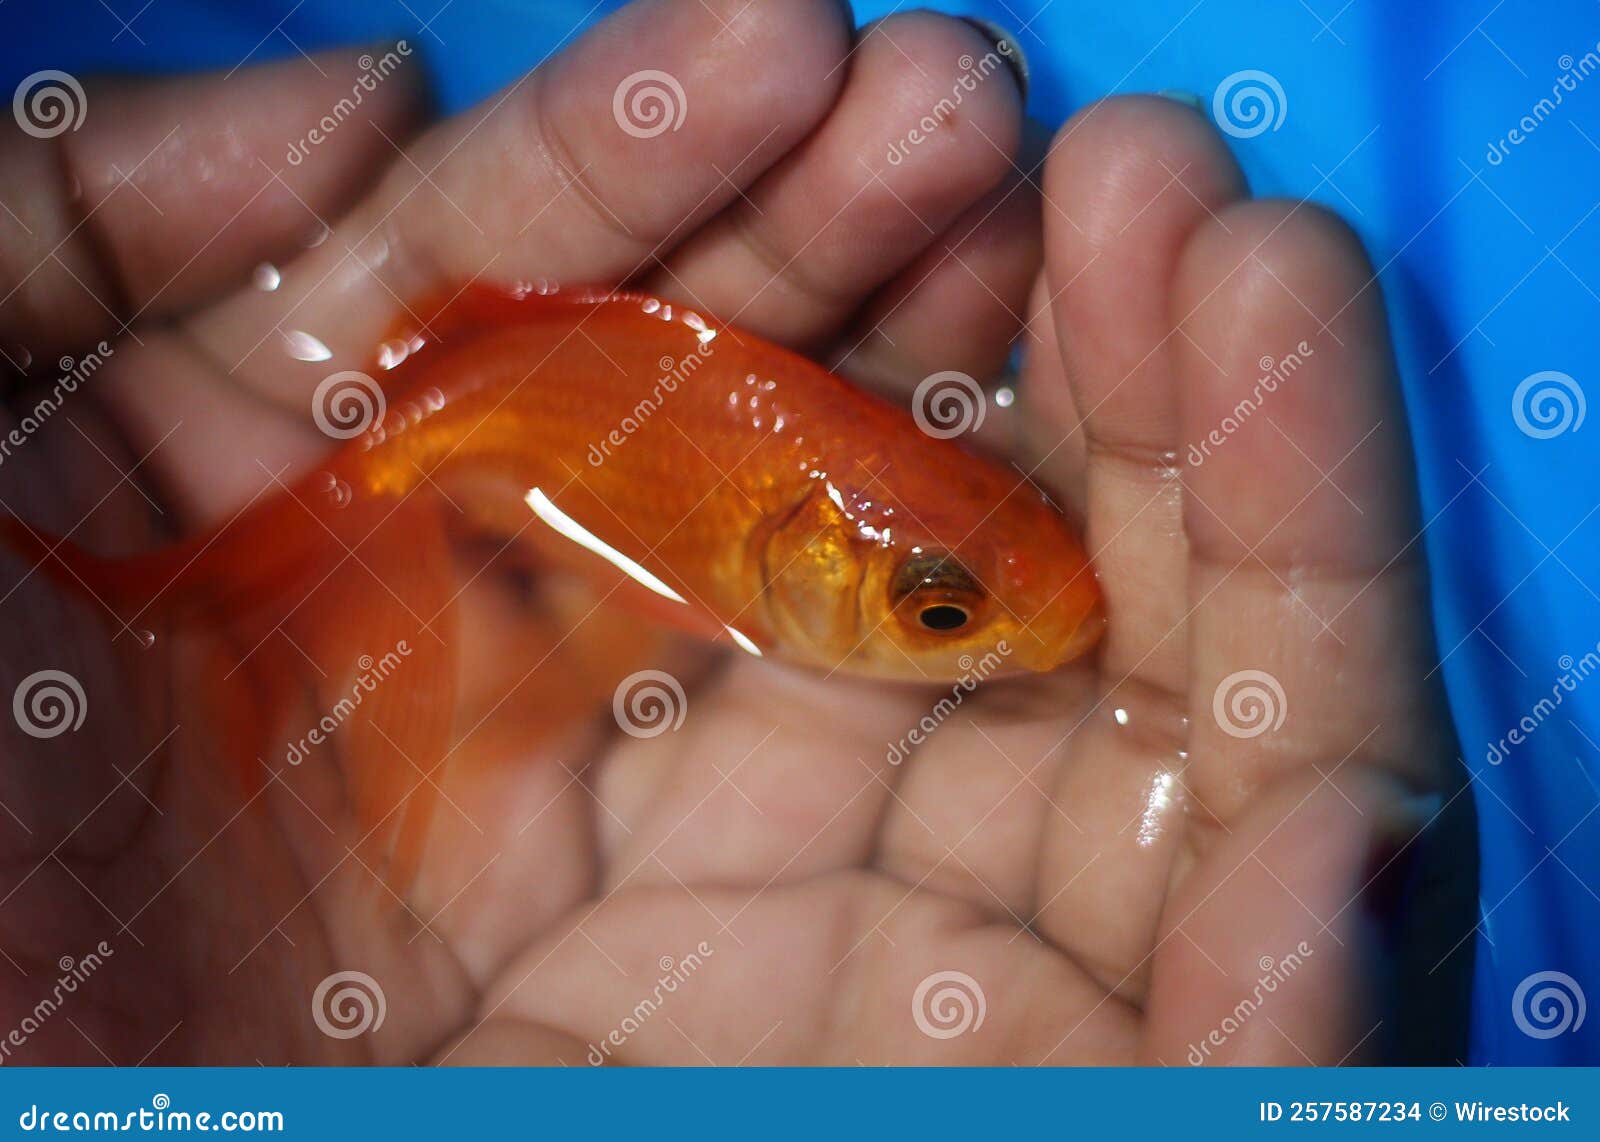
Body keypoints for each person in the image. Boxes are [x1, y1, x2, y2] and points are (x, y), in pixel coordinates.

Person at [0, 0, 1470, 1064]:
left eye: (946, 608)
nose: (975, 636)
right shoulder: (685, 549)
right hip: (469, 413)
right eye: (941, 614)